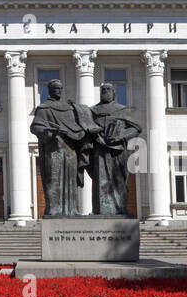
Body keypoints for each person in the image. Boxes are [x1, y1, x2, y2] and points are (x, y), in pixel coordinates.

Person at [31, 79, 100, 217]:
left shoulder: (70, 108)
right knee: (54, 179)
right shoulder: (44, 108)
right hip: (54, 149)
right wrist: (50, 132)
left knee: (71, 180)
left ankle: (72, 210)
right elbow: (35, 127)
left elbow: (78, 127)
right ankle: (54, 210)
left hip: (71, 149)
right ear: (50, 90)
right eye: (55, 88)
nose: (58, 90)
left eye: (60, 88)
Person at [88, 83, 142, 216]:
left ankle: (120, 208)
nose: (105, 92)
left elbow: (136, 128)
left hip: (118, 150)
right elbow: (86, 128)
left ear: (114, 93)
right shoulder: (93, 110)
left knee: (119, 179)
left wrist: (121, 137)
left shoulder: (122, 109)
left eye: (108, 90)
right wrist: (94, 134)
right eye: (103, 90)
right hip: (99, 149)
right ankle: (99, 210)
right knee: (100, 180)